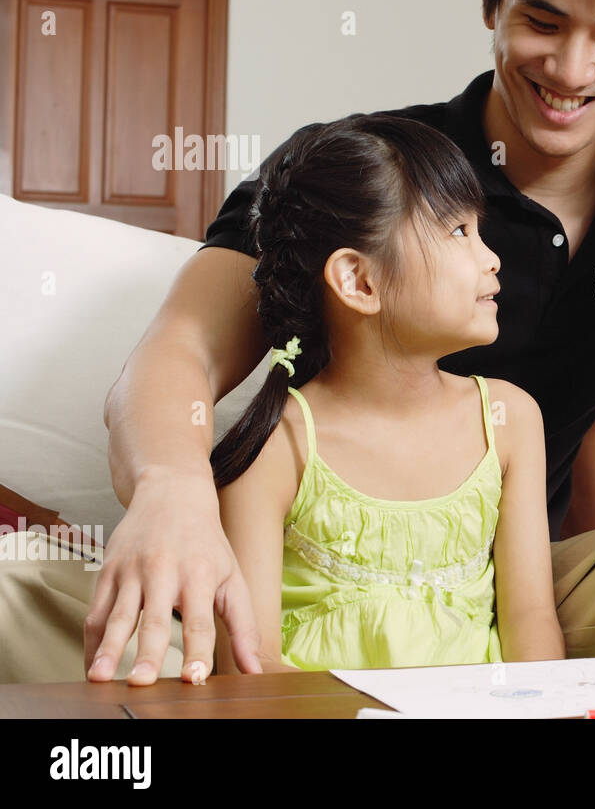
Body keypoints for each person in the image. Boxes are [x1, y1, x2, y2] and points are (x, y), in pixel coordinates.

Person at [0, 0, 595, 687]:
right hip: (298, 604)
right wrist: (171, 484)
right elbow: (178, 354)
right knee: (13, 585)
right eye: (542, 21)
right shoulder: (362, 171)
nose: (571, 71)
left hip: (516, 598)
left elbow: (589, 407)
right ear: (493, 4)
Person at [210, 115, 562, 673]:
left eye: (480, 229)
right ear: (359, 281)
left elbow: (531, 618)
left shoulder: (509, 419)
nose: (492, 258)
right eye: (457, 232)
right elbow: (246, 667)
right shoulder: (277, 449)